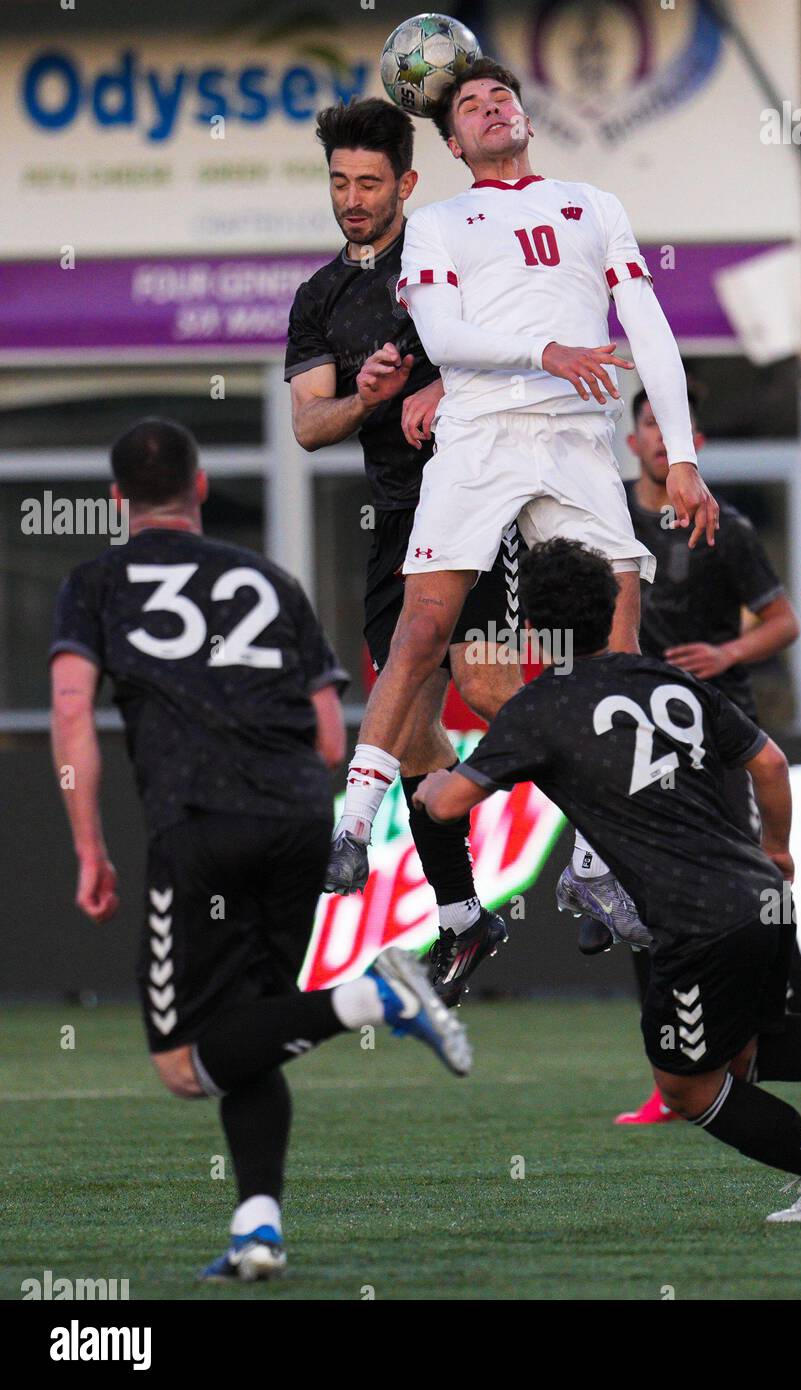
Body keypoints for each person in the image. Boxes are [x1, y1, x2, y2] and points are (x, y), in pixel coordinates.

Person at [414, 539, 801, 1223]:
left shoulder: (540, 705)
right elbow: (769, 765)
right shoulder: (672, 682)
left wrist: (426, 779)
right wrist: (776, 853)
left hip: (694, 922)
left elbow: (448, 804)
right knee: (747, 1045)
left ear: (534, 631)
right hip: (758, 892)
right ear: (611, 611)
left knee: (687, 1089)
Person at [49, 418, 470, 1283]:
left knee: (182, 1065)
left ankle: (369, 998)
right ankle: (258, 1230)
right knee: (252, 1030)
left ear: (116, 500)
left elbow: (70, 720)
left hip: (198, 826)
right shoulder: (267, 578)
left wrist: (90, 848)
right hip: (292, 821)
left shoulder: (95, 583)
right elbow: (327, 738)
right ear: (201, 489)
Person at [325, 59, 719, 969]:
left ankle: (590, 855)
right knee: (422, 633)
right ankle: (352, 821)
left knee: (618, 626)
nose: (491, 106)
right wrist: (546, 348)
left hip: (578, 438)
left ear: (524, 119)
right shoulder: (437, 223)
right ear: (454, 143)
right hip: (481, 431)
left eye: (501, 96)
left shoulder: (593, 202)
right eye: (469, 104)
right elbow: (448, 337)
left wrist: (687, 456)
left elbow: (648, 327)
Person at [285, 97, 522, 1002]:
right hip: (396, 522)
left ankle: (607, 847)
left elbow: (506, 348)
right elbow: (309, 426)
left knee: (488, 688)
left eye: (369, 183)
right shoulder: (320, 297)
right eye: (340, 181)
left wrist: (444, 394)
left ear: (407, 185)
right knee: (414, 725)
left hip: (473, 499)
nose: (352, 198)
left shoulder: (445, 249)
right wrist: (372, 397)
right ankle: (462, 915)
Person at [602, 388, 801, 1122]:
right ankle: (670, 1069)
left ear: (686, 440)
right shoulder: (600, 515)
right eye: (648, 424)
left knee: (753, 887)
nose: (661, 437)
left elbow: (783, 621)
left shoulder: (721, 525)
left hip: (722, 726)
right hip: (636, 732)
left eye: (672, 427)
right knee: (644, 897)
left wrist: (727, 650)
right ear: (633, 437)